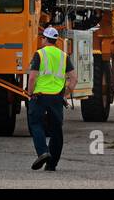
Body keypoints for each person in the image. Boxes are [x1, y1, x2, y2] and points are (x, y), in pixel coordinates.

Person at [26, 26, 76, 171]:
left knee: (36, 124)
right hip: (56, 98)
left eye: (42, 37)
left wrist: (30, 93)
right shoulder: (63, 56)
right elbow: (73, 79)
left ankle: (43, 152)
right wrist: (65, 94)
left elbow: (33, 77)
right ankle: (52, 164)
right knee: (56, 130)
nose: (41, 39)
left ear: (46, 39)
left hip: (39, 96)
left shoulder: (40, 54)